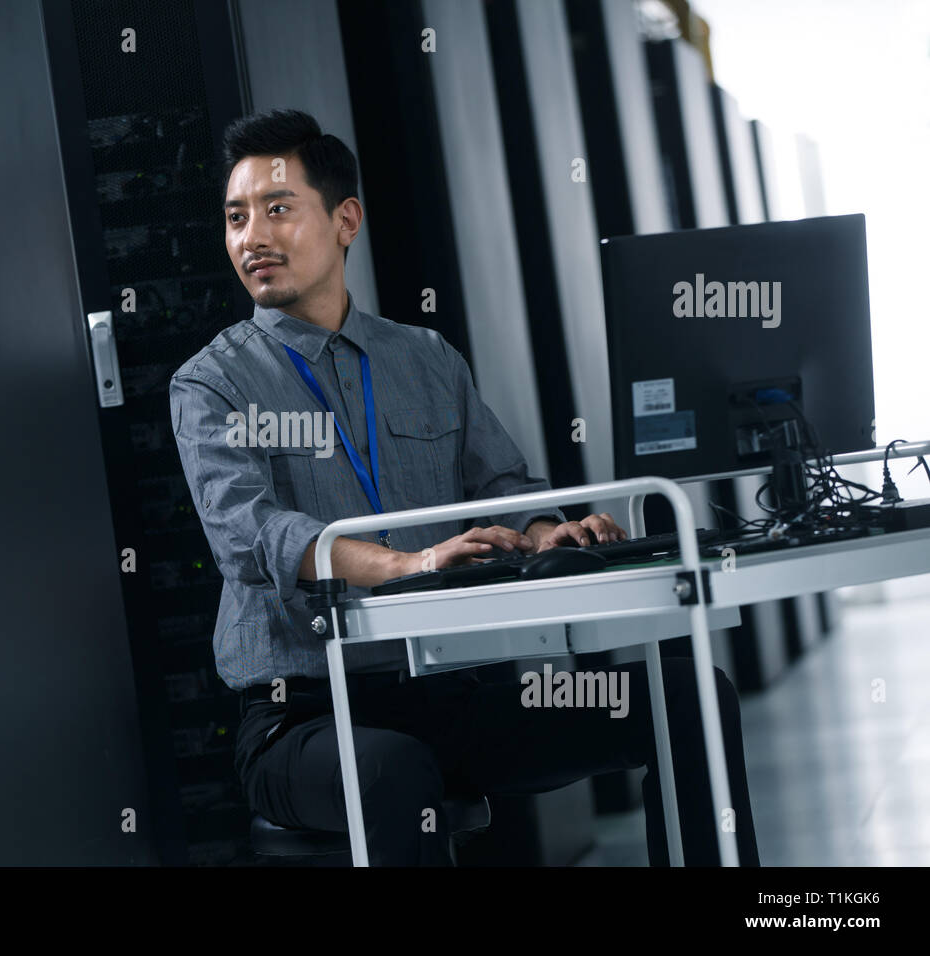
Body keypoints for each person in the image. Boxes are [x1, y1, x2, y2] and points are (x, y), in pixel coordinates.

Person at [168, 108, 759, 866]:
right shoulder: (211, 383)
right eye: (236, 216)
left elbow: (506, 485)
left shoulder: (425, 357)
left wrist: (551, 532)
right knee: (395, 768)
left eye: (277, 210)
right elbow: (249, 534)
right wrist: (403, 565)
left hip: (452, 694)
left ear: (346, 219)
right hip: (304, 718)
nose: (252, 237)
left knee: (691, 698)